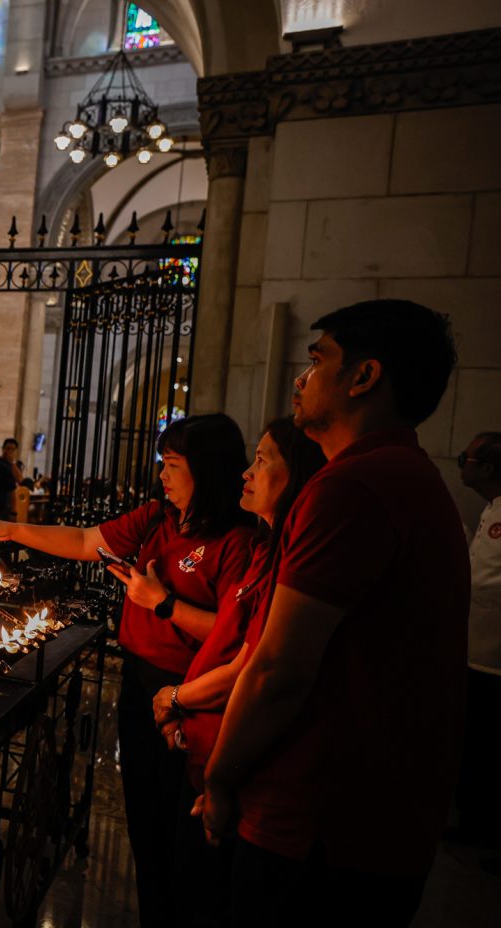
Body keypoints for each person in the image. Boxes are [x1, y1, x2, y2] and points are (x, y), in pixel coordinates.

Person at [198, 300, 468, 928]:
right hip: (378, 820)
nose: (301, 378)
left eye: (317, 360)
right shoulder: (408, 475)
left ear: (364, 377)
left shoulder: (352, 487)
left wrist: (219, 780)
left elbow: (278, 671)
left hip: (320, 824)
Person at [0, 413, 256, 928]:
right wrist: (8, 529)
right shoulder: (158, 518)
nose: (162, 475)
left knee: (180, 828)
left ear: (207, 471)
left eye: (173, 465)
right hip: (141, 680)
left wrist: (161, 603)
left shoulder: (237, 540)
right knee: (143, 816)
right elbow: (82, 541)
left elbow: (239, 637)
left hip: (196, 695)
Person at [142, 419, 325, 927]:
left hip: (236, 773)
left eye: (263, 461)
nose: (248, 472)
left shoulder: (271, 553)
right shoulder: (266, 549)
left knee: (202, 901)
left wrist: (177, 697)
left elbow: (255, 666)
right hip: (203, 749)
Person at [452, 432, 501, 858]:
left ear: (486, 468)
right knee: (475, 746)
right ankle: (472, 826)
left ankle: (487, 833)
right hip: (477, 651)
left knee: (488, 751)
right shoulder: (490, 509)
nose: (460, 465)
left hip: (494, 659)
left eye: (465, 459)